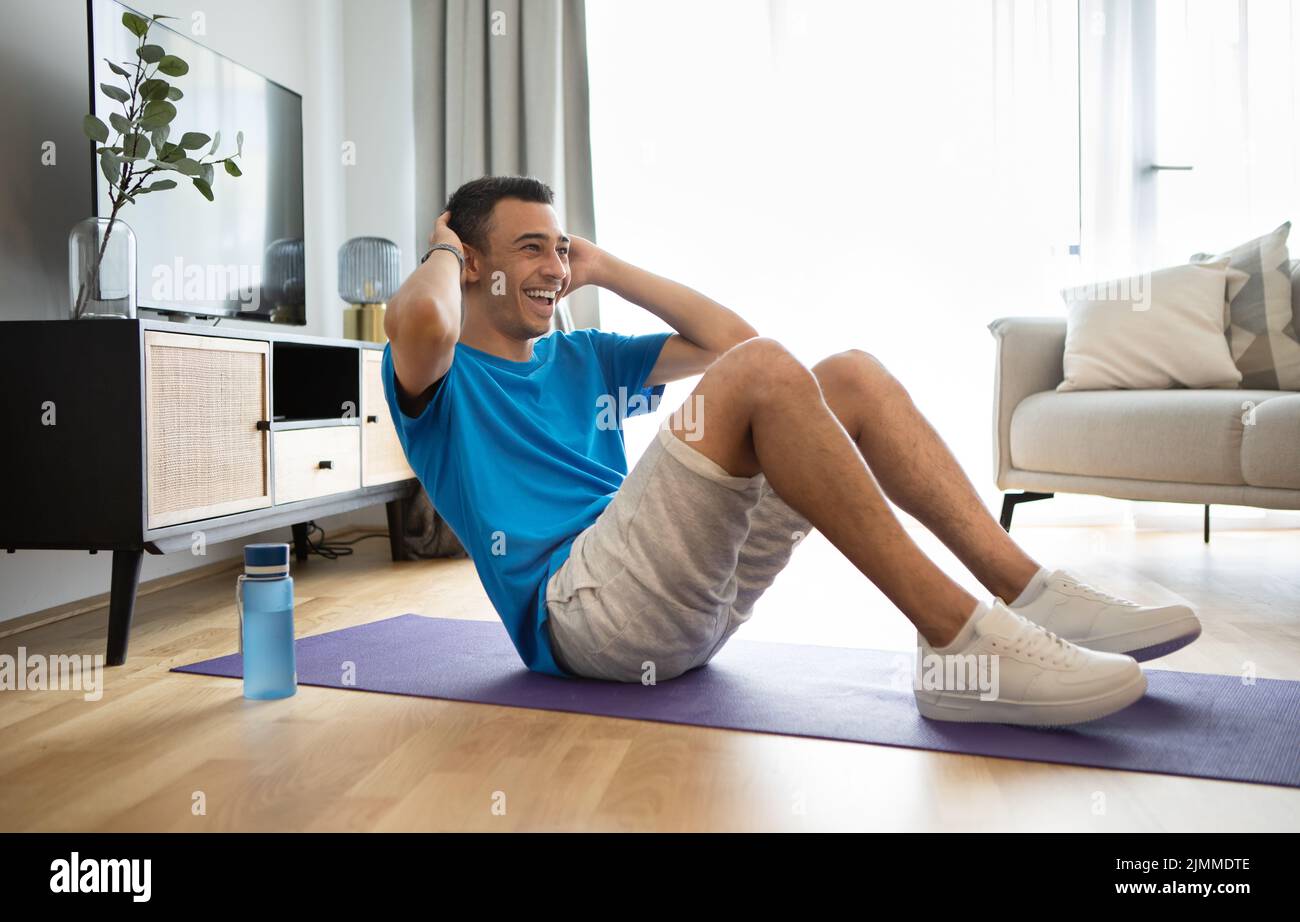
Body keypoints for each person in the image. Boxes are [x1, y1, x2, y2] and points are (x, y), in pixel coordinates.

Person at [382, 175, 1202, 727]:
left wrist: (606, 266)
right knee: (767, 372)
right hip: (586, 616)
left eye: (560, 248)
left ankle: (1023, 594)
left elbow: (733, 342)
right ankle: (959, 634)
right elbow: (421, 321)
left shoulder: (585, 355)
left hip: (677, 599)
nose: (554, 266)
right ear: (472, 261)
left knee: (848, 376)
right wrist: (446, 250)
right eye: (531, 248)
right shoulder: (438, 374)